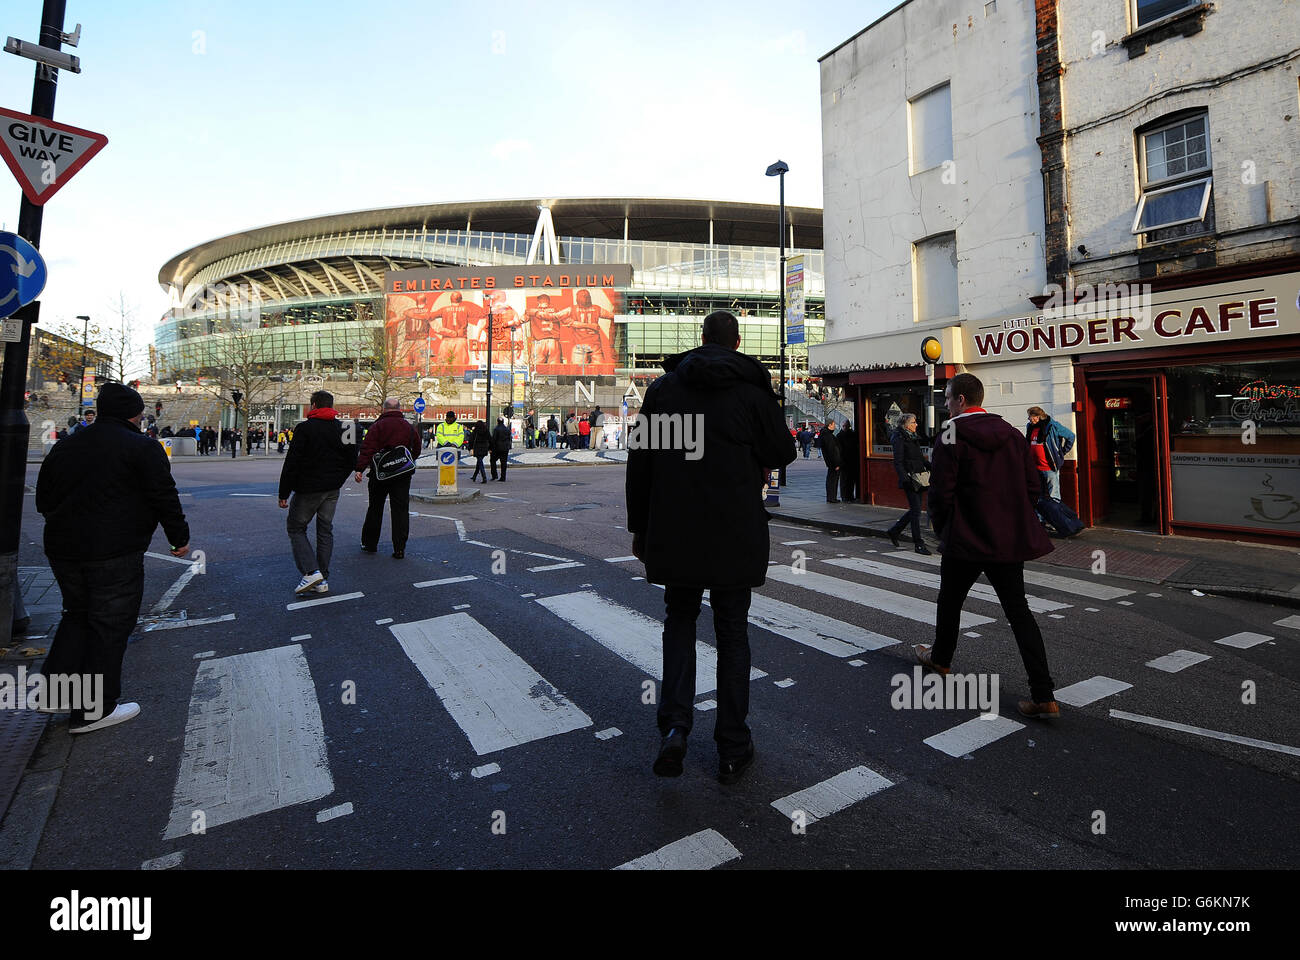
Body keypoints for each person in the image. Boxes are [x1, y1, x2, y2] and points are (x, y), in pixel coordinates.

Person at [627, 310, 796, 785]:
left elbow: (640, 465)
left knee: (679, 622)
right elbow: (783, 452)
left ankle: (675, 728)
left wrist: (640, 527)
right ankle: (732, 746)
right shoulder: (752, 390)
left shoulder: (663, 391)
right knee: (732, 633)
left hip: (676, 531)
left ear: (701, 340)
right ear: (737, 342)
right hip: (734, 533)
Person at [35, 382, 190, 734]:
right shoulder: (143, 447)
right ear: (135, 414)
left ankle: (56, 695)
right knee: (109, 624)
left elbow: (43, 501)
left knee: (77, 615)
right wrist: (178, 538)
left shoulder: (65, 446)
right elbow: (163, 495)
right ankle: (93, 711)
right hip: (113, 549)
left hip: (63, 548)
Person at [919, 373, 1059, 719]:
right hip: (1006, 539)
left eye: (948, 399)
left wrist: (941, 526)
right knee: (1018, 611)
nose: (946, 405)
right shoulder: (1012, 434)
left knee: (950, 601)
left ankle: (941, 659)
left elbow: (940, 491)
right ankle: (1043, 694)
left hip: (965, 537)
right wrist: (1012, 516)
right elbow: (1033, 487)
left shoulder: (950, 434)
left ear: (961, 400)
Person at [278, 390, 356, 595]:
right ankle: (322, 577)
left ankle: (311, 572)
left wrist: (283, 492)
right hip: (332, 489)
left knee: (296, 528)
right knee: (325, 529)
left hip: (308, 489)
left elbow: (292, 463)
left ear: (313, 405)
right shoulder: (345, 427)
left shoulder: (304, 429)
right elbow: (352, 460)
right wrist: (338, 479)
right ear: (331, 406)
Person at [354, 397, 421, 560]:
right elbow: (417, 448)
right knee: (400, 510)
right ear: (399, 409)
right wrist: (405, 461)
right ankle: (399, 548)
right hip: (402, 475)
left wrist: (360, 469)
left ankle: (370, 544)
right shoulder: (409, 427)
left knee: (375, 508)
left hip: (379, 475)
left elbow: (367, 448)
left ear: (384, 409)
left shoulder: (377, 426)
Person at [885, 413, 931, 554]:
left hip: (918, 477)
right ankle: (918, 544)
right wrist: (905, 479)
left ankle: (894, 531)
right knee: (916, 511)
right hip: (910, 479)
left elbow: (920, 458)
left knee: (915, 510)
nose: (916, 424)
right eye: (913, 422)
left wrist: (932, 467)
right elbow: (898, 462)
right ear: (906, 424)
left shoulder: (912, 437)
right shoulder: (899, 438)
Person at [1025, 406, 1075, 502]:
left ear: (1037, 417)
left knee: (1054, 497)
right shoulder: (1030, 427)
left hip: (1049, 467)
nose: (1029, 419)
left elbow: (1071, 436)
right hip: (1035, 468)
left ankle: (1055, 517)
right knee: (1038, 497)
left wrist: (1061, 452)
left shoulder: (1052, 425)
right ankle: (1041, 517)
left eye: (1030, 417)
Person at [838, 420, 860, 503]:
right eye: (844, 426)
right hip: (845, 461)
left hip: (852, 460)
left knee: (850, 480)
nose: (845, 427)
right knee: (845, 480)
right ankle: (845, 497)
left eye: (846, 426)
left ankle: (850, 496)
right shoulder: (840, 436)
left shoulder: (851, 434)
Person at [821, 420, 841, 502]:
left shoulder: (826, 434)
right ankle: (832, 497)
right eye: (833, 424)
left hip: (830, 462)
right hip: (833, 462)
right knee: (833, 480)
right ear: (829, 425)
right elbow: (832, 450)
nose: (835, 426)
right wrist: (836, 463)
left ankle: (831, 497)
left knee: (831, 479)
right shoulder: (828, 436)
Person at [490, 416, 512, 480]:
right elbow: (509, 438)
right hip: (505, 448)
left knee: (493, 461)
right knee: (503, 463)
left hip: (497, 448)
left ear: (497, 422)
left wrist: (491, 448)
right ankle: (503, 477)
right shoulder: (507, 429)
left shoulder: (496, 429)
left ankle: (494, 475)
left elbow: (494, 439)